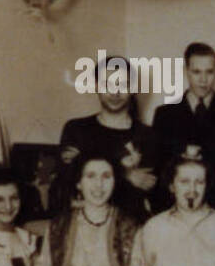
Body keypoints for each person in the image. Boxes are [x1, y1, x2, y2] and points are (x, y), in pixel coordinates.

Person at [150, 42, 215, 213]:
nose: (203, 80)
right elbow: (158, 169)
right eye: (196, 72)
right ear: (186, 71)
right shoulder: (165, 115)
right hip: (175, 211)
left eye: (209, 72)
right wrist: (160, 208)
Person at [57, 81, 163, 220]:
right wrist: (127, 174)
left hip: (130, 223)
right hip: (85, 220)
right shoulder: (77, 129)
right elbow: (69, 176)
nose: (115, 92)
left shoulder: (148, 135)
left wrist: (87, 161)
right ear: (96, 87)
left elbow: (147, 185)